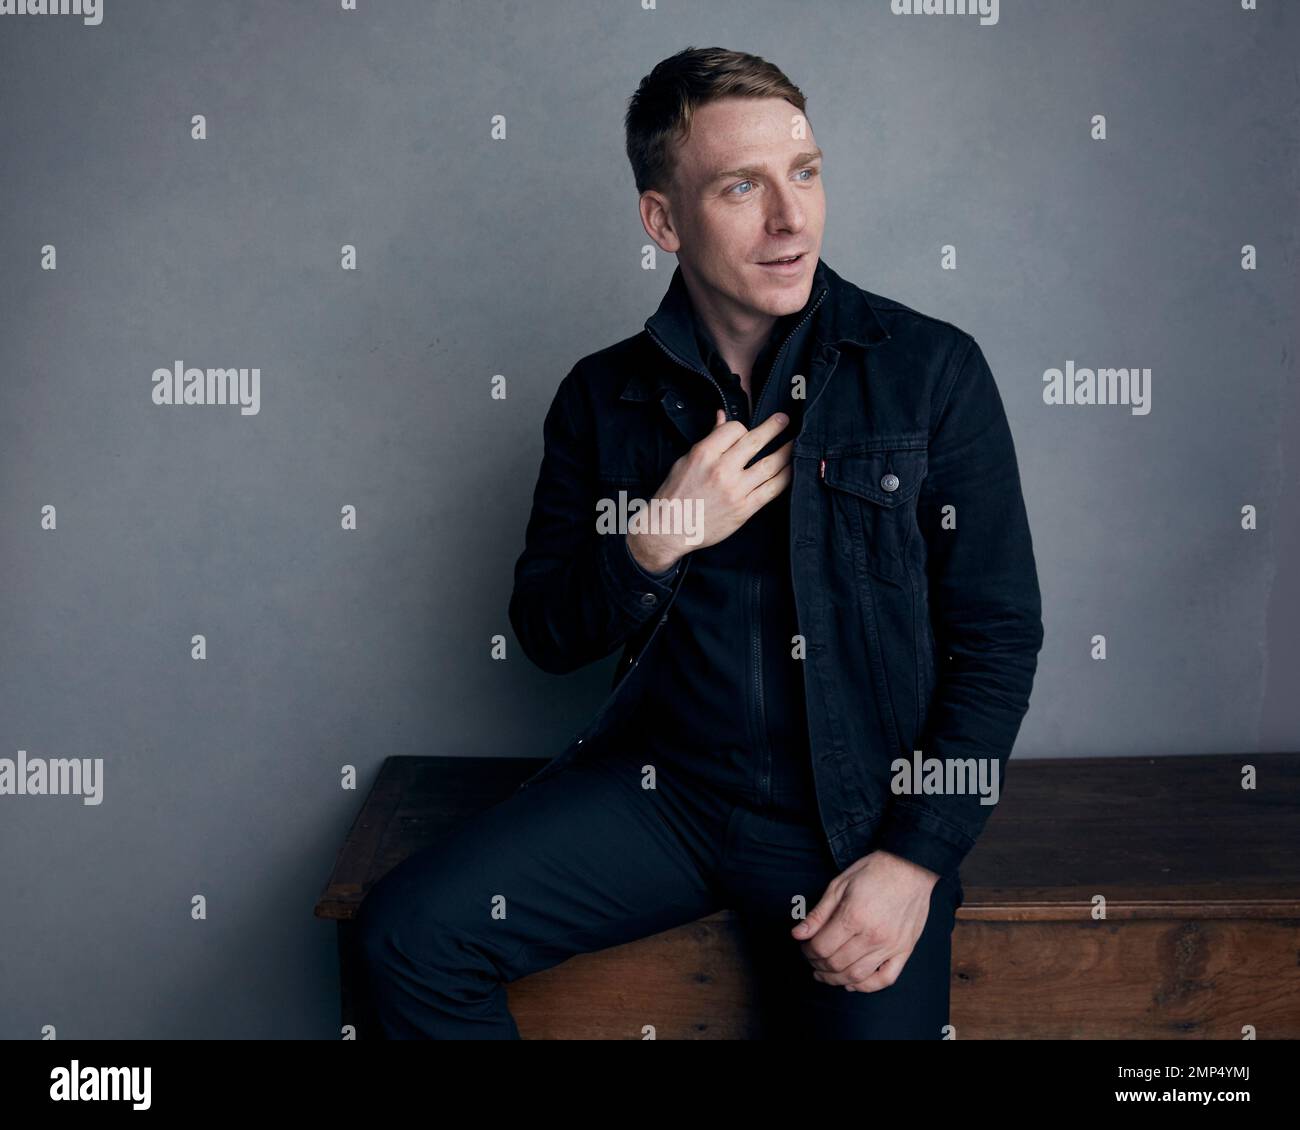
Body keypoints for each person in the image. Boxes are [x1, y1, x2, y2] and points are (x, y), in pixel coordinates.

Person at [356, 45, 1044, 1039]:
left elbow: (998, 638)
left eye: (804, 173)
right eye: (740, 186)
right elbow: (545, 629)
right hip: (661, 798)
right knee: (406, 937)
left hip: (852, 821)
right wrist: (652, 540)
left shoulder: (930, 371)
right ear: (664, 219)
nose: (789, 217)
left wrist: (913, 860)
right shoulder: (603, 396)